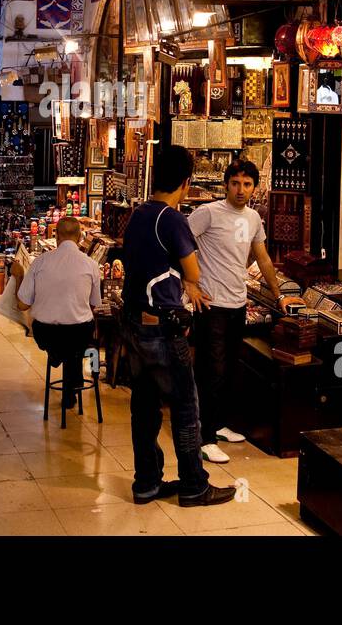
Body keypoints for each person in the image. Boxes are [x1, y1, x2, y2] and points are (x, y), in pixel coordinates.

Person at [121, 144, 234, 508]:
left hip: (136, 325)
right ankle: (193, 486)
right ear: (186, 182)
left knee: (145, 407)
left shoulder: (139, 215)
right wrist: (190, 282)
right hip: (164, 329)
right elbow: (193, 271)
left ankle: (147, 483)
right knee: (186, 408)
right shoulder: (171, 219)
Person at [188, 159, 290, 464]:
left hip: (237, 303)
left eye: (247, 184)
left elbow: (263, 259)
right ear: (226, 184)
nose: (241, 189)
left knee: (230, 369)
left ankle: (218, 426)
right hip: (211, 305)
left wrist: (278, 295)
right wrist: (189, 284)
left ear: (254, 187)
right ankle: (203, 438)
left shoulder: (254, 218)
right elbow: (178, 244)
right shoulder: (208, 213)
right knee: (211, 371)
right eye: (235, 183)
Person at [17, 217, 100, 409]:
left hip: (46, 334)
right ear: (80, 237)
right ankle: (74, 383)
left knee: (67, 343)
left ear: (56, 236)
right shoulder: (90, 265)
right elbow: (94, 305)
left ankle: (59, 358)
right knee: (79, 339)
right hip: (79, 334)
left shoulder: (40, 262)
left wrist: (19, 275)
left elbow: (22, 305)